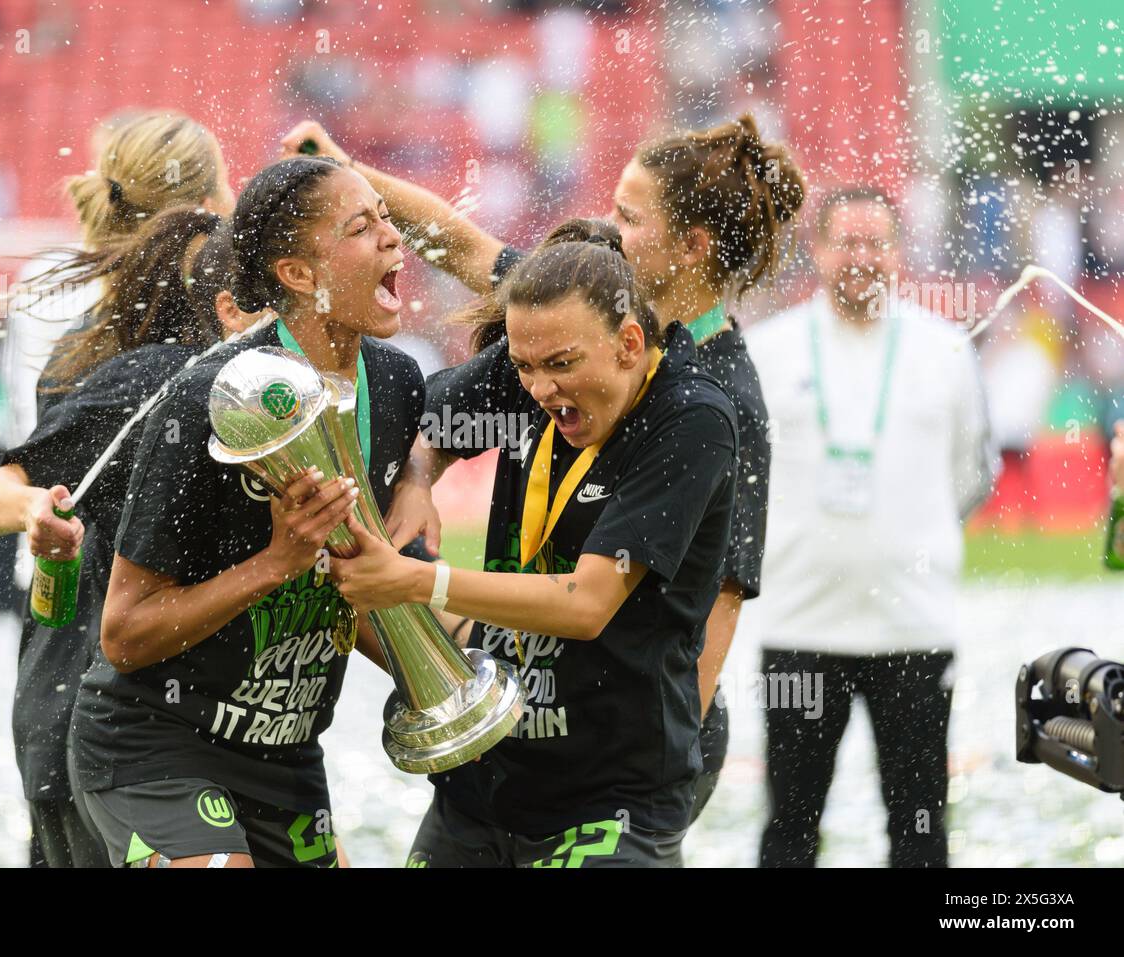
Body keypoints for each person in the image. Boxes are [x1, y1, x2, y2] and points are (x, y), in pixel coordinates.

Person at [282, 113, 804, 822]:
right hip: (531, 717)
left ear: (690, 246)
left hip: (635, 747)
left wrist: (660, 777)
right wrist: (349, 175)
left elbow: (721, 601)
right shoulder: (570, 314)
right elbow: (462, 245)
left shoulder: (720, 402)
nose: (606, 226)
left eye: (628, 215)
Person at [329, 222, 738, 867]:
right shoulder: (529, 368)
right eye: (524, 366)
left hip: (612, 800)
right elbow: (424, 428)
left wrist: (419, 582)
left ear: (629, 343)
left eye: (562, 366)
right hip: (483, 785)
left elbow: (586, 605)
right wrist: (416, 478)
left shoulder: (691, 417)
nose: (541, 389)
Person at [69, 156, 424, 868]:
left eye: (387, 217)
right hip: (155, 741)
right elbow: (125, 633)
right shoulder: (211, 398)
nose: (393, 237)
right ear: (298, 275)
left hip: (283, 752)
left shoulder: (395, 382)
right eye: (361, 227)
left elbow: (354, 593)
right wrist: (274, 565)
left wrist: (457, 678)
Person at [0, 206, 245, 867]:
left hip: (145, 726)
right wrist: (39, 509)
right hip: (91, 721)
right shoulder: (150, 378)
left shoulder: (232, 380)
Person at [744, 187, 998, 867]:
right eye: (845, 242)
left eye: (875, 242)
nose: (861, 256)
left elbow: (970, 474)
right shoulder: (769, 350)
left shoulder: (945, 349)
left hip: (913, 627)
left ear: (898, 251)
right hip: (799, 625)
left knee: (918, 829)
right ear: (818, 250)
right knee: (789, 828)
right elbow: (746, 478)